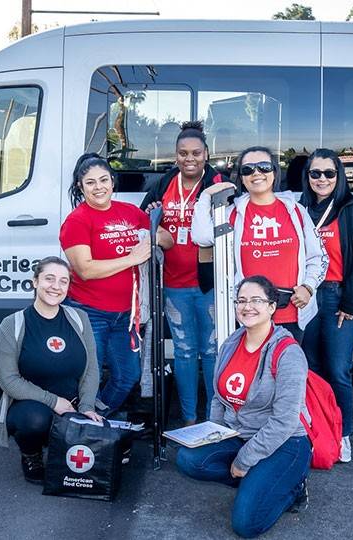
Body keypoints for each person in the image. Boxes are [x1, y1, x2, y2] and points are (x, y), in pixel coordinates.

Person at [176, 276, 310, 538]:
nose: (247, 307)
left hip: (285, 443)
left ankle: (293, 487)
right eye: (242, 301)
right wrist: (211, 435)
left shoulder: (287, 352)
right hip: (239, 435)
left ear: (272, 307)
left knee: (245, 525)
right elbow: (218, 397)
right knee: (188, 459)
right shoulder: (231, 343)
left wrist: (245, 459)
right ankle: (256, 482)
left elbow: (284, 421)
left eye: (257, 300)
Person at [59, 154, 172, 413]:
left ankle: (97, 420)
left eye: (103, 180)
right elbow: (85, 270)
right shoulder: (77, 220)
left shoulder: (130, 212)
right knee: (90, 379)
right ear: (80, 186)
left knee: (127, 377)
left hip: (126, 316)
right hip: (90, 314)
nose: (98, 187)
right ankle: (84, 433)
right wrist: (130, 258)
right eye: (90, 183)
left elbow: (168, 240)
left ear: (112, 181)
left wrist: (151, 238)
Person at [192, 146, 326, 342]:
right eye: (248, 169)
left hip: (292, 313)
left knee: (286, 370)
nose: (257, 173)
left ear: (274, 171)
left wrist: (308, 287)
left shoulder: (295, 210)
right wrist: (205, 197)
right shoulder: (233, 213)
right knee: (253, 371)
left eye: (264, 167)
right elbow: (201, 237)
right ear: (241, 177)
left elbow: (318, 256)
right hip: (250, 316)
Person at [140, 121, 225, 426]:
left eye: (196, 153)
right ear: (175, 156)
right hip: (174, 284)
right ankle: (189, 419)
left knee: (213, 350)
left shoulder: (217, 183)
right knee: (185, 352)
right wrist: (153, 215)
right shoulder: (164, 184)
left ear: (206, 154)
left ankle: (214, 418)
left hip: (209, 284)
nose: (190, 158)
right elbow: (143, 221)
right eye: (183, 153)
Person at [0, 257, 102, 483]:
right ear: (35, 282)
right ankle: (31, 454)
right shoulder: (12, 324)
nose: (56, 286)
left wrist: (87, 407)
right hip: (31, 407)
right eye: (49, 279)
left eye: (63, 281)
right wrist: (54, 402)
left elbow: (91, 367)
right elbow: (8, 380)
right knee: (34, 421)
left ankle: (61, 446)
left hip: (74, 404)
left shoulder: (79, 318)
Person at [298, 148, 353, 463]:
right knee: (310, 368)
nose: (322, 179)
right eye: (315, 173)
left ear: (339, 176)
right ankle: (319, 430)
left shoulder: (351, 209)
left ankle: (343, 435)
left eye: (329, 173)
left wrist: (350, 301)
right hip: (306, 295)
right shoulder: (299, 208)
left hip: (338, 296)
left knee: (338, 370)